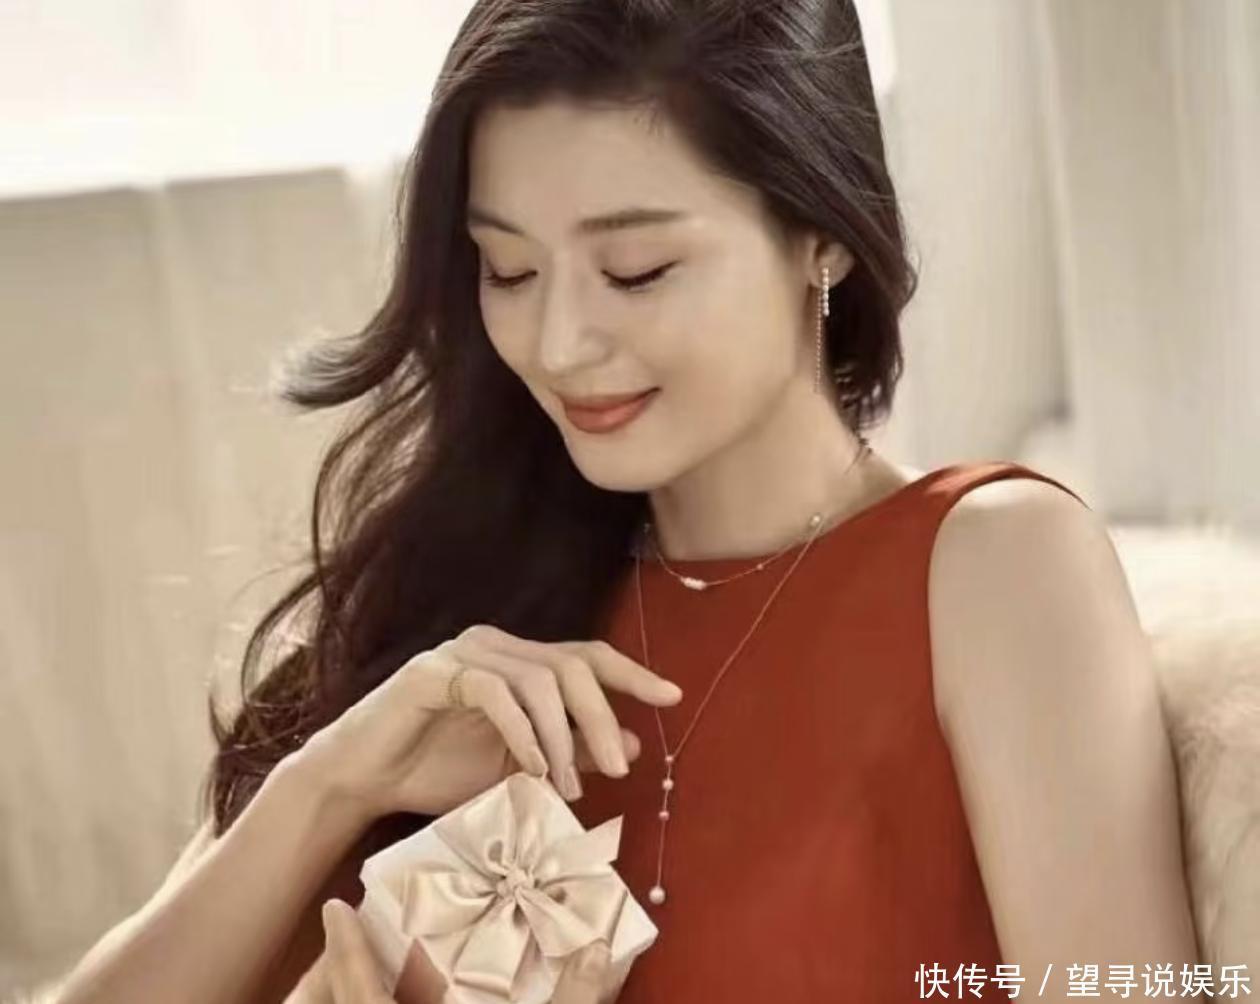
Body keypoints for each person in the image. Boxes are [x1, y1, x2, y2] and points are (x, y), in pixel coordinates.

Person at [48, 1, 1202, 1002]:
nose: (558, 343)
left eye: (636, 270)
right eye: (508, 269)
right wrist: (330, 782)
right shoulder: (469, 621)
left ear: (822, 237)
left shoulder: (994, 566)